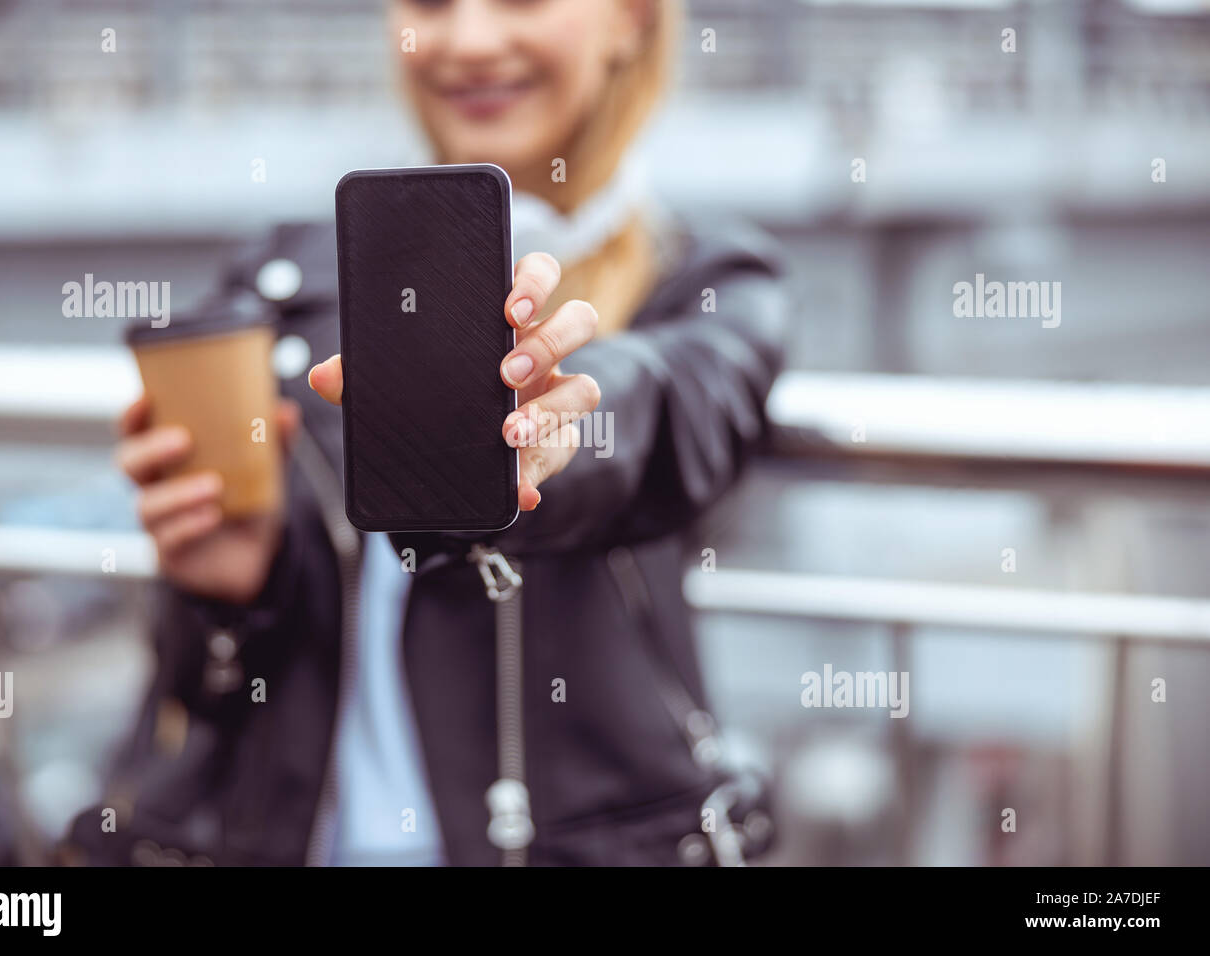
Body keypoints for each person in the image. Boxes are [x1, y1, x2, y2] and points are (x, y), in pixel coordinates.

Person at [66, 0, 790, 866]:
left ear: (634, 18)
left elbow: (677, 411)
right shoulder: (285, 281)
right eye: (431, 3)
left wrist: (567, 426)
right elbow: (205, 696)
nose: (470, 41)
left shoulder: (706, 283)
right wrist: (231, 591)